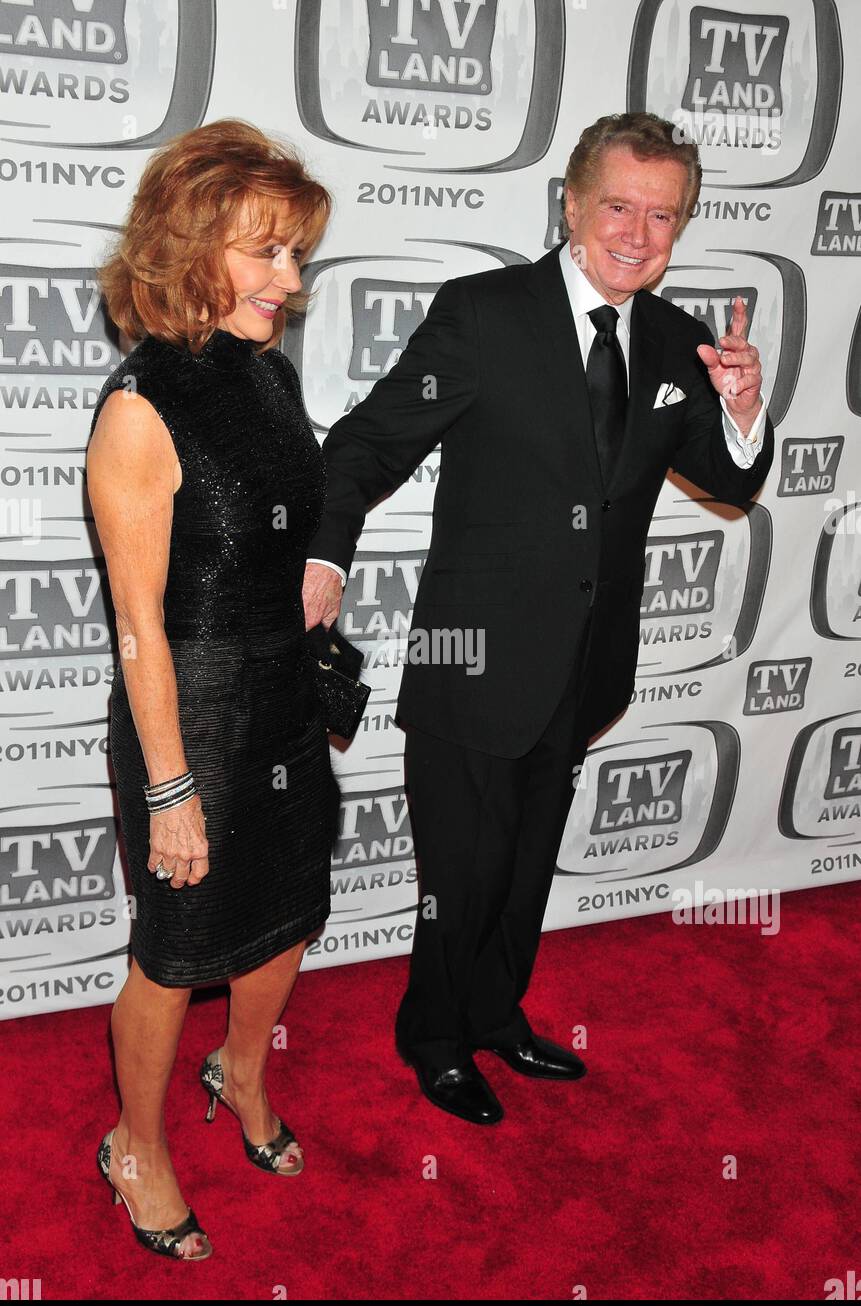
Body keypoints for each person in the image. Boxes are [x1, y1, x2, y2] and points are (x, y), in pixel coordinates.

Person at [302, 112, 775, 1125]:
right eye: (618, 205)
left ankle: (495, 1013)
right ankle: (433, 1036)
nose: (638, 234)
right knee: (461, 872)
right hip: (469, 658)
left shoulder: (680, 341)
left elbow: (729, 480)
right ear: (569, 201)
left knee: (525, 868)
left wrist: (742, 407)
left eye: (663, 216)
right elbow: (365, 444)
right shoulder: (484, 315)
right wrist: (324, 551)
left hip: (585, 665)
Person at [86, 118, 337, 1259]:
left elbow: (279, 531)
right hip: (190, 720)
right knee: (176, 949)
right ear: (191, 250)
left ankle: (239, 1077)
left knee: (284, 919)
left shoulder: (269, 372)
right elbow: (139, 627)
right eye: (265, 253)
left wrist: (308, 595)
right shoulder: (141, 407)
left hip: (285, 702)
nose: (290, 278)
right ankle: (135, 1143)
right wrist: (174, 786)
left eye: (295, 254)